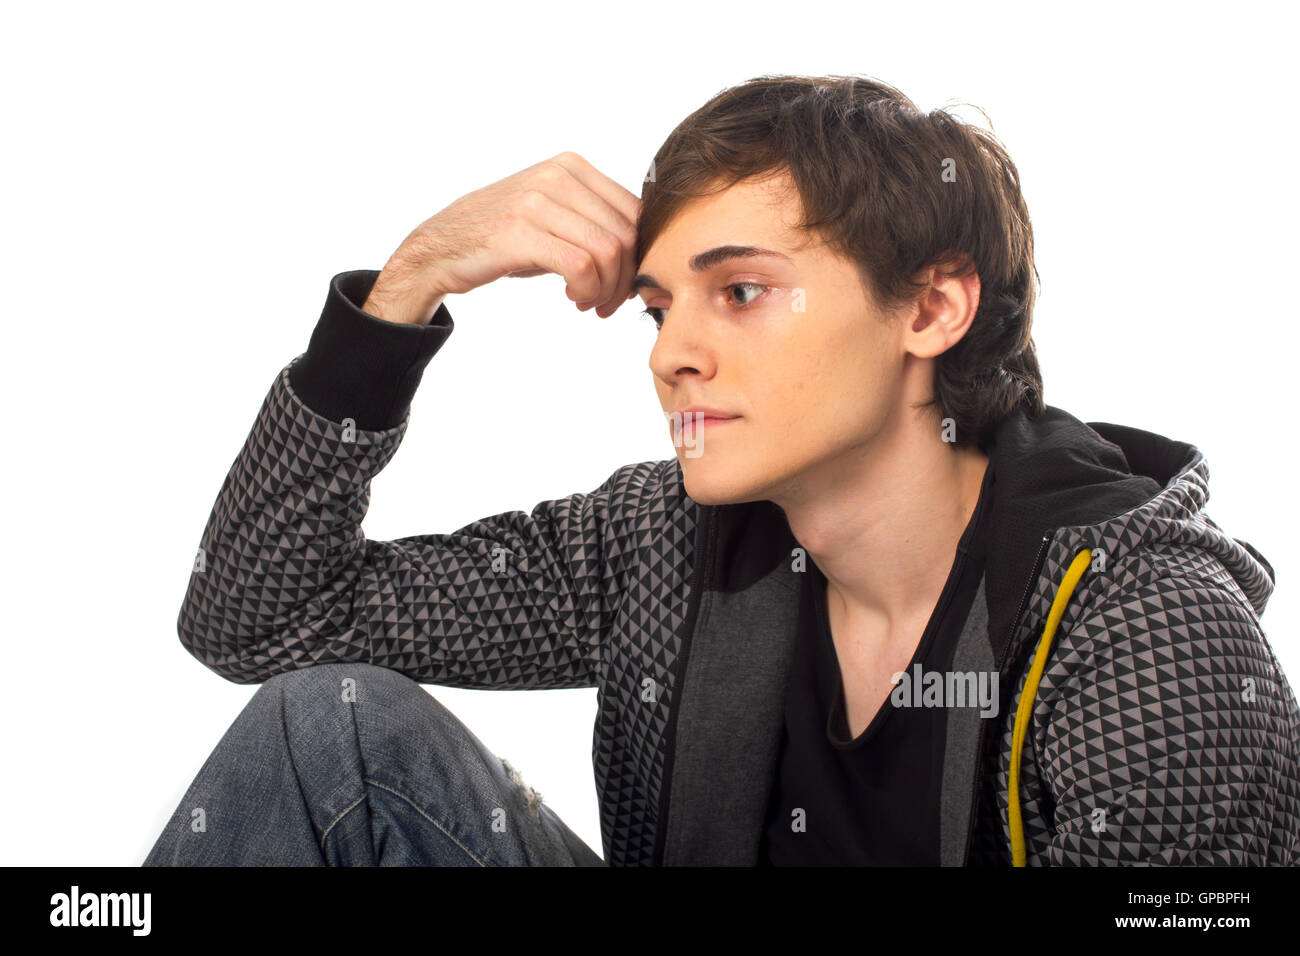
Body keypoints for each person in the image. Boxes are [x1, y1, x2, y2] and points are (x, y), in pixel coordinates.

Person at [144, 74, 1300, 867]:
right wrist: (409, 284)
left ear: (934, 307)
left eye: (740, 291)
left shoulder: (1145, 635)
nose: (669, 352)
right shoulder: (659, 543)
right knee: (329, 727)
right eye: (657, 306)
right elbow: (261, 620)